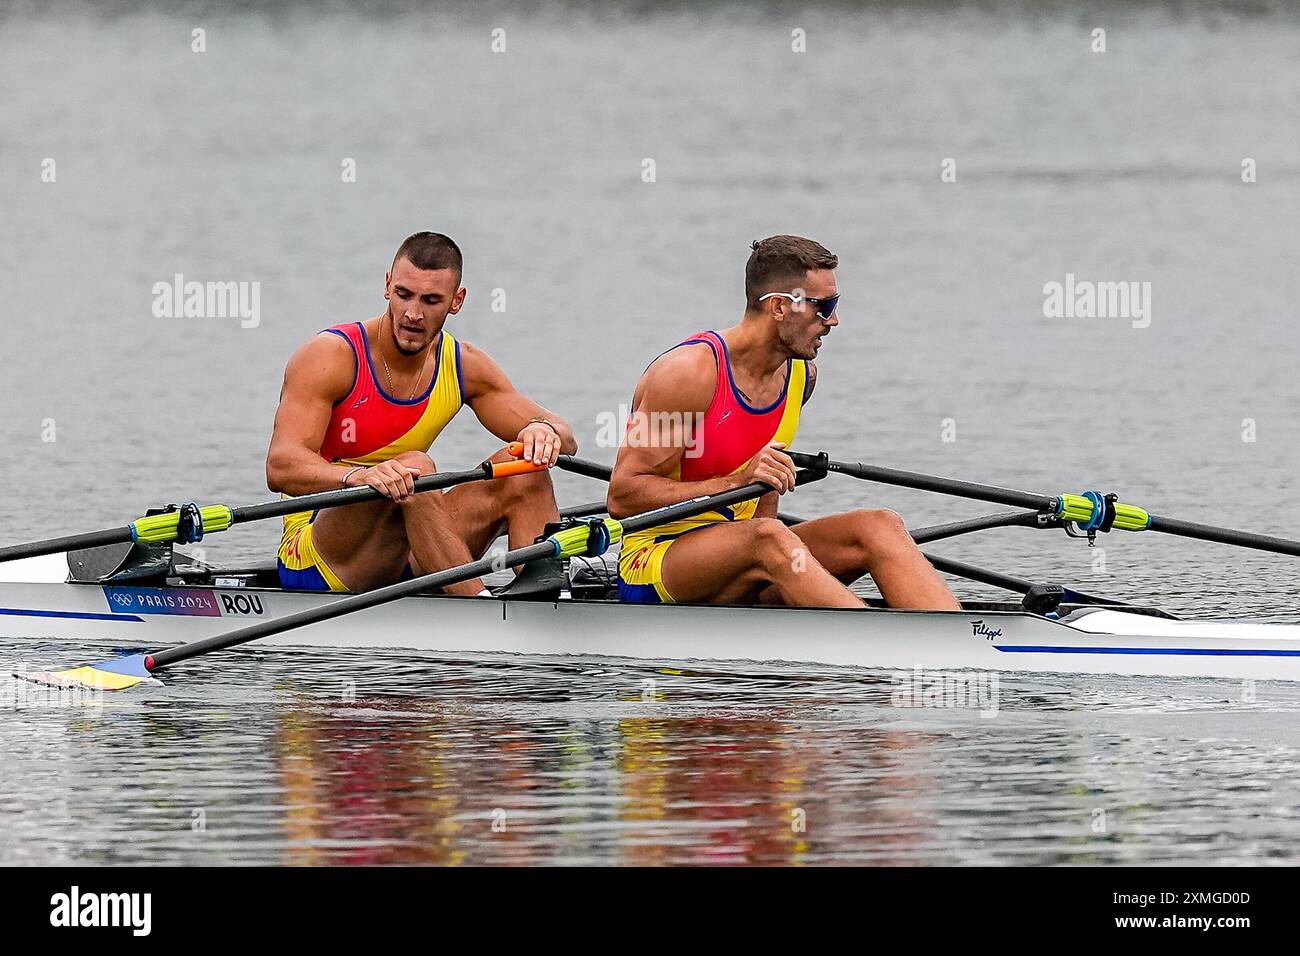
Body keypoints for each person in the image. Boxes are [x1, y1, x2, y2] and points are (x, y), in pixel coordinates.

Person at [607, 235, 960, 610]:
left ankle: (962, 643)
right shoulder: (686, 375)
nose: (834, 320)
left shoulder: (800, 376)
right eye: (823, 306)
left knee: (879, 526)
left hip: (748, 556)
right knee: (769, 538)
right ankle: (881, 645)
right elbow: (624, 495)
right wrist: (736, 483)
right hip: (656, 562)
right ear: (779, 306)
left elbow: (766, 494)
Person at [266, 231, 575, 595]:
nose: (413, 314)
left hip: (410, 543)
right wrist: (360, 479)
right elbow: (281, 465)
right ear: (386, 286)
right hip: (319, 556)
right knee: (416, 467)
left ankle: (545, 600)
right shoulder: (330, 357)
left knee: (524, 468)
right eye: (403, 294)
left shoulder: (464, 365)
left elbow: (566, 437)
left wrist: (544, 434)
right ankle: (480, 608)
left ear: (456, 301)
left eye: (431, 300)